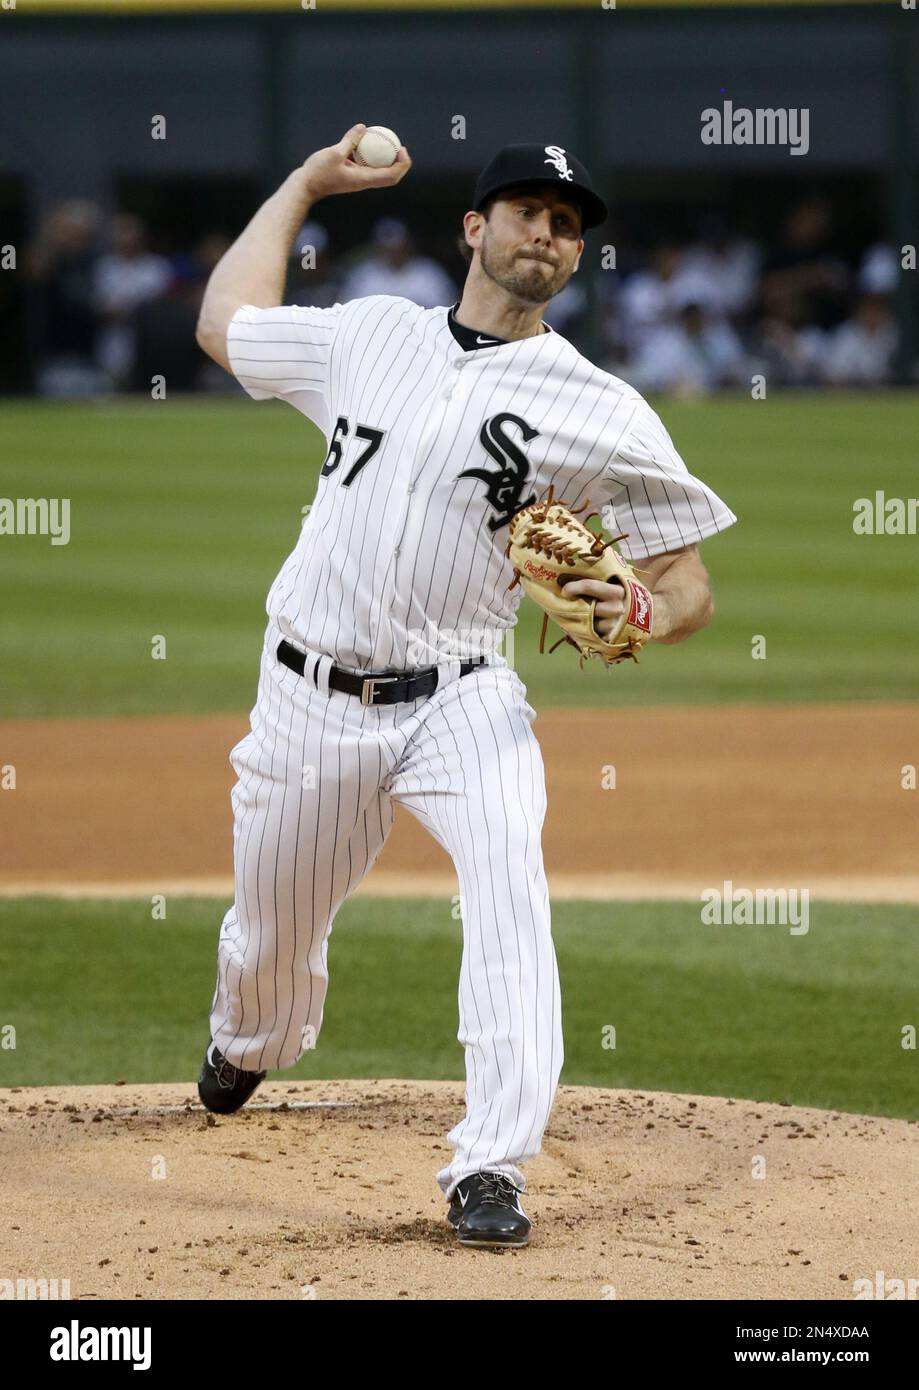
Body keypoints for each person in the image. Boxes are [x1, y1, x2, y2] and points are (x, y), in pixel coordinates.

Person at [194, 126, 737, 1248]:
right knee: (269, 945)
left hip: (463, 691)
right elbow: (221, 325)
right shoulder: (369, 335)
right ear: (474, 228)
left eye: (570, 221)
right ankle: (248, 1040)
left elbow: (689, 587)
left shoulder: (596, 405)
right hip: (308, 692)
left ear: (577, 255)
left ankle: (490, 1161)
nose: (550, 230)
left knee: (506, 874)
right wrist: (300, 181)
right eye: (530, 210)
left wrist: (638, 608)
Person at [340, 215, 457, 308]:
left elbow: (446, 311)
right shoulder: (364, 274)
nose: (394, 253)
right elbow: (349, 311)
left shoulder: (428, 272)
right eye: (388, 247)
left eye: (397, 246)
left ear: (408, 244)